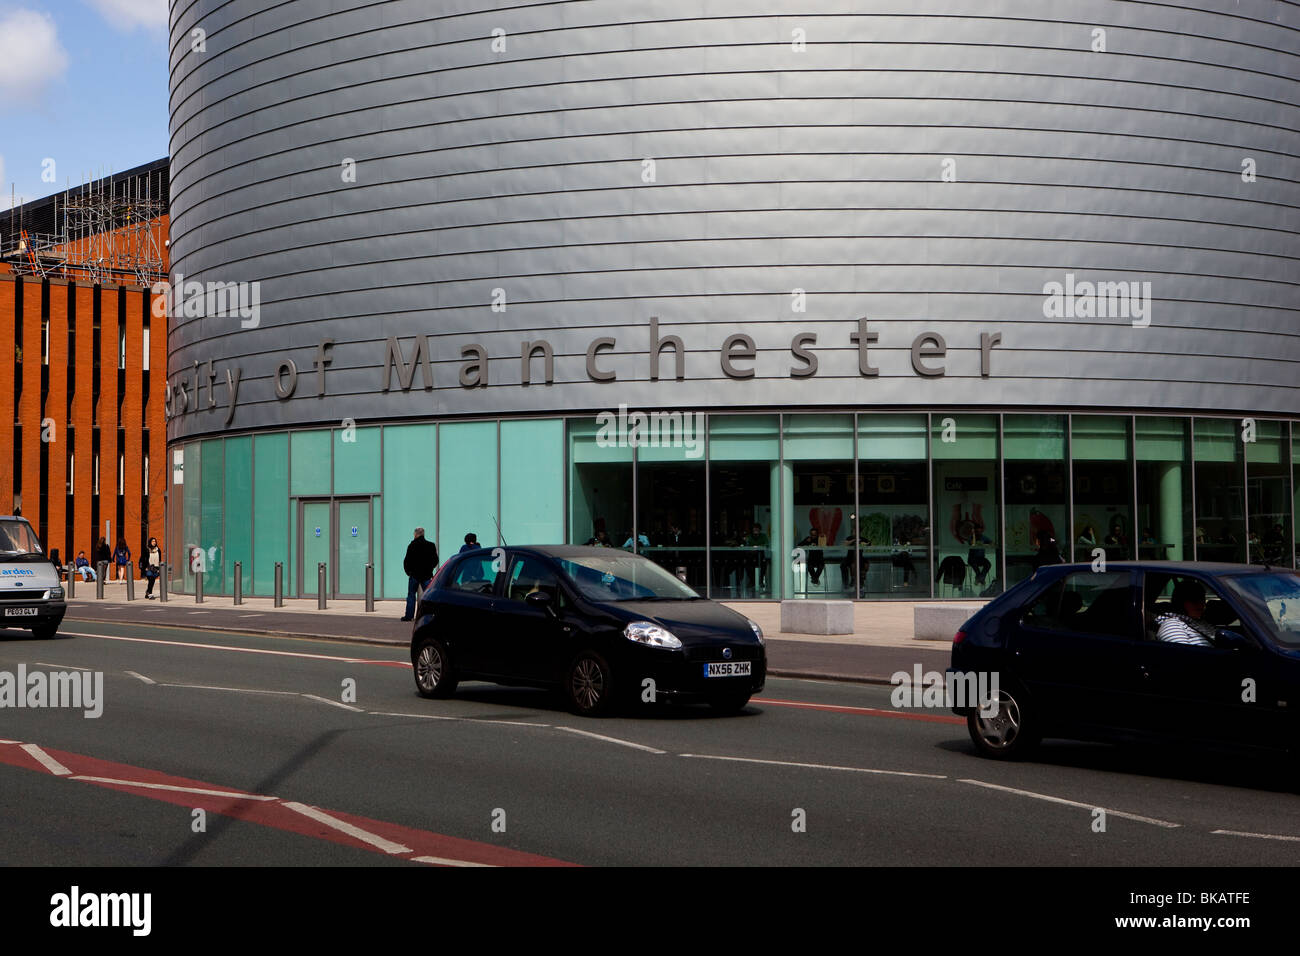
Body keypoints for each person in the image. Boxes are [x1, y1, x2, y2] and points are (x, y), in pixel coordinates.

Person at [1155, 579, 1216, 647]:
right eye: (1194, 600)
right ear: (1181, 602)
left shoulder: (1203, 623)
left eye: (1203, 599)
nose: (1201, 604)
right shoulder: (1172, 626)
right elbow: (1183, 655)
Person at [401, 527, 439, 622]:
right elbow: (435, 560)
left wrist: (408, 572)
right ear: (423, 534)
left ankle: (409, 616)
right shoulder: (430, 545)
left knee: (411, 595)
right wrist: (430, 568)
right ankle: (430, 615)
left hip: (414, 575)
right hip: (426, 574)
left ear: (415, 534)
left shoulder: (412, 545)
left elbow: (406, 561)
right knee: (429, 596)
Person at [840, 514, 869, 594]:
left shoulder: (862, 539)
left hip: (860, 557)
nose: (854, 533)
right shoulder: (849, 538)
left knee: (865, 564)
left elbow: (870, 544)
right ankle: (849, 582)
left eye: (856, 531)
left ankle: (861, 581)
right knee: (846, 565)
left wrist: (865, 544)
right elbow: (845, 544)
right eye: (853, 531)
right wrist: (853, 540)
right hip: (850, 557)